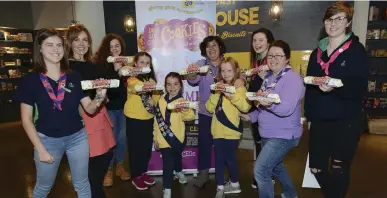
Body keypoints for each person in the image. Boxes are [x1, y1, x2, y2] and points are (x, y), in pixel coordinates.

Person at [15, 28, 107, 198]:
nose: (56, 49)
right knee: (43, 187)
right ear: (40, 49)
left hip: (78, 138)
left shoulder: (74, 77)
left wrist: (100, 95)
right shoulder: (31, 80)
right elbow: (26, 119)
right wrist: (40, 149)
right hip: (47, 140)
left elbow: (90, 108)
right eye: (49, 44)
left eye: (59, 45)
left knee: (82, 184)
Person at [304, 2, 368, 198]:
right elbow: (310, 84)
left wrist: (337, 85)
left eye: (339, 18)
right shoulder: (317, 52)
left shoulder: (356, 50)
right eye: (330, 19)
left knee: (339, 168)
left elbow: (359, 86)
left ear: (348, 22)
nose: (333, 23)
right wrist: (309, 116)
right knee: (316, 167)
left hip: (346, 120)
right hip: (320, 119)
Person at [241, 40, 304, 198]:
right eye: (270, 55)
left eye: (278, 55)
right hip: (267, 134)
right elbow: (262, 106)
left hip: (283, 135)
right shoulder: (269, 78)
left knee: (261, 170)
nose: (273, 59)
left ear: (287, 58)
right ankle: (290, 194)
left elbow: (286, 108)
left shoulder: (293, 79)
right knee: (276, 167)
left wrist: (269, 104)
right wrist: (250, 116)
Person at [186, 36, 244, 188]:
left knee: (226, 148)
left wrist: (241, 80)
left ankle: (224, 173)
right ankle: (203, 174)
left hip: (226, 115)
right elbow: (192, 80)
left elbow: (240, 74)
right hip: (206, 112)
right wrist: (191, 74)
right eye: (207, 46)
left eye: (214, 45)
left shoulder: (228, 62)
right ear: (204, 50)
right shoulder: (200, 64)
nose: (211, 49)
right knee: (204, 145)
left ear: (220, 47)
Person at [66, 24, 116, 198]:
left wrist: (104, 93)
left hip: (100, 115)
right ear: (69, 43)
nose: (81, 44)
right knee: (91, 170)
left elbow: (106, 96)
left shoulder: (93, 65)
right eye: (76, 39)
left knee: (107, 155)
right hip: (84, 120)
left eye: (85, 39)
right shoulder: (66, 68)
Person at [206, 57, 251, 198]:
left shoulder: (240, 87)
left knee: (230, 159)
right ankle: (220, 187)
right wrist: (216, 93)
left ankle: (235, 184)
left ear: (236, 71)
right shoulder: (217, 87)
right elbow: (209, 108)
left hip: (232, 131)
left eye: (229, 70)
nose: (226, 73)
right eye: (223, 70)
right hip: (218, 131)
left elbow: (245, 107)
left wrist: (232, 96)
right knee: (219, 159)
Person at [93, 33, 131, 187]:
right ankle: (108, 169)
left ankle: (120, 165)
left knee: (122, 137)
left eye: (117, 46)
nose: (115, 49)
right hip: (109, 108)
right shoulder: (103, 65)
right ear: (106, 49)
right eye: (111, 47)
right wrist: (116, 71)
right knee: (111, 138)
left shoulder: (127, 64)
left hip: (125, 107)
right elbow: (108, 89)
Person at [153, 72, 195, 198]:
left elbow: (190, 117)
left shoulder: (183, 102)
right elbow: (156, 121)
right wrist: (155, 137)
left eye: (175, 84)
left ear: (181, 86)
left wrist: (185, 109)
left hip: (178, 138)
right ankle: (167, 189)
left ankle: (179, 171)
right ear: (165, 86)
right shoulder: (160, 101)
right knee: (168, 164)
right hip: (164, 139)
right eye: (169, 84)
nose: (172, 87)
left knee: (177, 158)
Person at [124, 52, 160, 190]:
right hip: (134, 119)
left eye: (147, 63)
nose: (144, 65)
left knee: (146, 149)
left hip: (148, 118)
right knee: (135, 149)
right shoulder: (132, 79)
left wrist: (154, 99)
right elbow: (135, 87)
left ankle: (143, 172)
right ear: (135, 64)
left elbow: (156, 98)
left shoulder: (152, 81)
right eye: (141, 62)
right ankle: (136, 176)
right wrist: (146, 87)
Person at [248, 28, 275, 189]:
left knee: (267, 144)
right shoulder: (257, 62)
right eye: (254, 40)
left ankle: (265, 176)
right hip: (256, 109)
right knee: (259, 143)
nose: (257, 44)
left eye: (261, 40)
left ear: (269, 42)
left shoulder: (271, 62)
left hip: (267, 110)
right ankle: (261, 175)